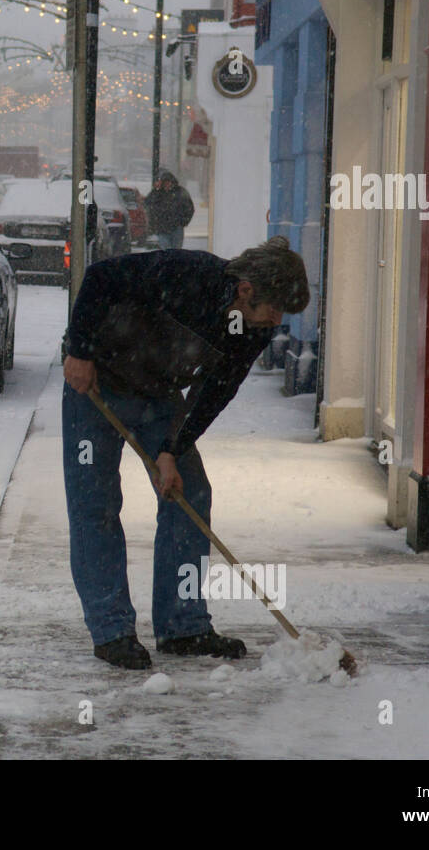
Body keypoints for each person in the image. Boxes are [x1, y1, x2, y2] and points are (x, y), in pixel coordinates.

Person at [61, 237, 310, 669]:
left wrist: (171, 450)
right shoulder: (184, 272)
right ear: (246, 289)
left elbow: (217, 390)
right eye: (274, 307)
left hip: (158, 395)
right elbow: (99, 277)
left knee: (189, 493)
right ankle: (112, 630)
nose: (277, 319)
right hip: (98, 383)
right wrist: (80, 353)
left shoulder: (253, 328)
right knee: (95, 505)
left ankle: (183, 626)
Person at [144, 168, 194, 249]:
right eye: (164, 183)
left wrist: (183, 222)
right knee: (166, 251)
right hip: (163, 228)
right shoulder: (158, 193)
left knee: (176, 251)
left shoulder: (180, 192)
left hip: (177, 228)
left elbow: (189, 208)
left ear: (172, 182)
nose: (167, 185)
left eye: (168, 182)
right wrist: (156, 190)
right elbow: (148, 203)